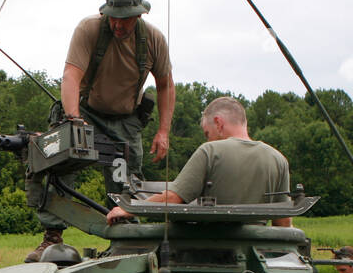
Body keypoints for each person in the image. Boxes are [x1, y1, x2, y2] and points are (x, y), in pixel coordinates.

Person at [26, 0, 175, 261]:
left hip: (126, 119)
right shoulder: (89, 29)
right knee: (59, 165)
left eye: (125, 20)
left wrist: (163, 131)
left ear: (139, 15)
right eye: (113, 18)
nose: (118, 25)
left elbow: (166, 84)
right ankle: (52, 237)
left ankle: (123, 243)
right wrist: (73, 119)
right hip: (86, 112)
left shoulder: (154, 39)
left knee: (126, 182)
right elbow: (72, 74)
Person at [106, 96, 291, 227]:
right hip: (252, 257)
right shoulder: (278, 159)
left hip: (206, 252)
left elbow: (174, 198)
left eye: (207, 133)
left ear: (218, 123)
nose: (207, 139)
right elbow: (283, 223)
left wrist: (129, 208)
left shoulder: (210, 151)